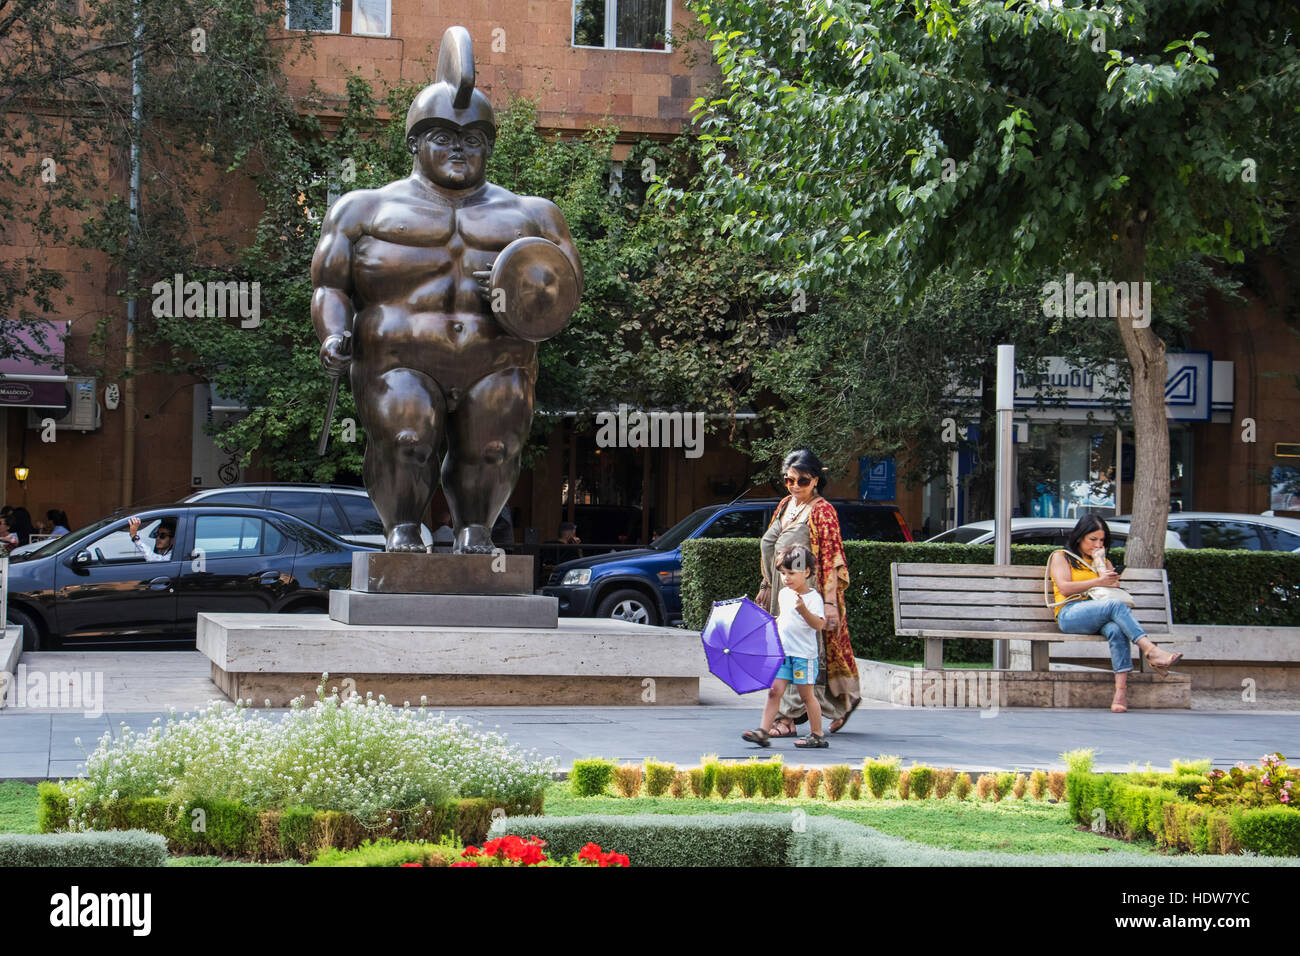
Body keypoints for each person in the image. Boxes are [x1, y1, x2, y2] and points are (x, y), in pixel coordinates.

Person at [311, 26, 581, 555]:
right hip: (397, 356)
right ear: (415, 143)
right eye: (444, 139)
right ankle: (402, 531)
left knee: (495, 449)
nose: (460, 150)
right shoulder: (365, 209)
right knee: (406, 441)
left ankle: (476, 532)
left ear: (489, 147)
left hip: (497, 359)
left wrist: (521, 287)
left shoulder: (533, 215)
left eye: (473, 141)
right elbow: (330, 284)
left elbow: (565, 292)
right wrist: (332, 334)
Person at [758, 449, 862, 737]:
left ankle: (787, 718)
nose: (794, 486)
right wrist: (766, 585)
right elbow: (771, 549)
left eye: (801, 481)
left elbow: (831, 559)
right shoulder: (784, 505)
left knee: (797, 650)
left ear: (815, 480)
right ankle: (846, 699)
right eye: (788, 480)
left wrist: (829, 603)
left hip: (809, 594)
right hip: (782, 590)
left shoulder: (822, 511)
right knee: (789, 649)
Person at [1049, 514, 1182, 713]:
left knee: (1116, 629)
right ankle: (1151, 651)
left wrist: (1099, 562)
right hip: (1070, 614)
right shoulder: (1061, 556)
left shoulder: (1104, 561)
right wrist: (1097, 581)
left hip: (1099, 615)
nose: (1098, 544)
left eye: (1102, 540)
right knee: (1115, 607)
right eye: (1092, 539)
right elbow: (1065, 588)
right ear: (1079, 537)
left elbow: (1113, 588)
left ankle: (1120, 692)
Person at [743, 544, 829, 748]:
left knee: (806, 696)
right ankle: (763, 731)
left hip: (803, 656)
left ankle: (817, 734)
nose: (786, 578)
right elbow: (784, 618)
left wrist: (804, 611)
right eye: (783, 573)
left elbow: (819, 624)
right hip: (784, 654)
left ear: (806, 572)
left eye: (791, 573)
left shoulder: (812, 598)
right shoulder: (784, 594)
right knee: (774, 690)